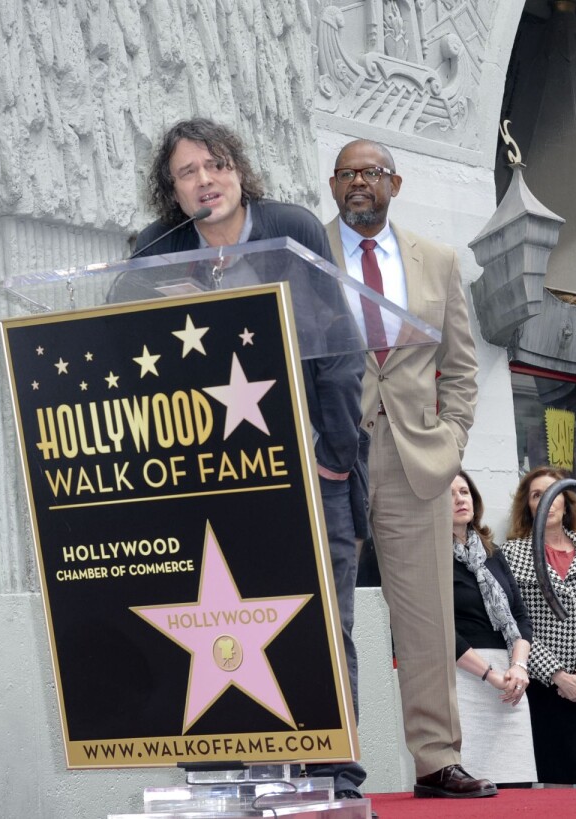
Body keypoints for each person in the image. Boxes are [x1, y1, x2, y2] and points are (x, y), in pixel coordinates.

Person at [134, 119, 370, 800]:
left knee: (324, 622)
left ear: (238, 168)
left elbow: (342, 350)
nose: (205, 180)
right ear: (171, 191)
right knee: (213, 620)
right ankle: (222, 769)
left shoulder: (288, 227)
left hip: (304, 464)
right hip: (208, 478)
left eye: (216, 164)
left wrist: (334, 455)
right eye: (187, 173)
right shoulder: (156, 250)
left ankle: (334, 774)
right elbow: (123, 344)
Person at [324, 139, 486, 798]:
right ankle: (328, 760)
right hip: (329, 456)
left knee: (425, 616)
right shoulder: (308, 255)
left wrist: (450, 442)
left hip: (416, 460)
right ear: (334, 186)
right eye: (347, 174)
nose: (359, 182)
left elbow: (464, 367)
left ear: (396, 182)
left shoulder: (439, 261)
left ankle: (436, 758)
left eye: (371, 173)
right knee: (326, 615)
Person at [502, 467, 576, 786]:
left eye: (553, 493)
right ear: (527, 506)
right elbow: (512, 624)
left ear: (566, 501)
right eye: (537, 495)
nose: (546, 501)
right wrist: (556, 675)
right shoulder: (512, 555)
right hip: (544, 688)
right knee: (554, 787)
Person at [449, 471, 537, 785]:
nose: (460, 499)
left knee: (518, 783)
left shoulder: (492, 553)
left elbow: (520, 618)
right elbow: (440, 632)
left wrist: (519, 667)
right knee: (475, 786)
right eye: (449, 495)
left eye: (464, 491)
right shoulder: (432, 559)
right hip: (465, 679)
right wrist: (490, 675)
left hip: (511, 680)